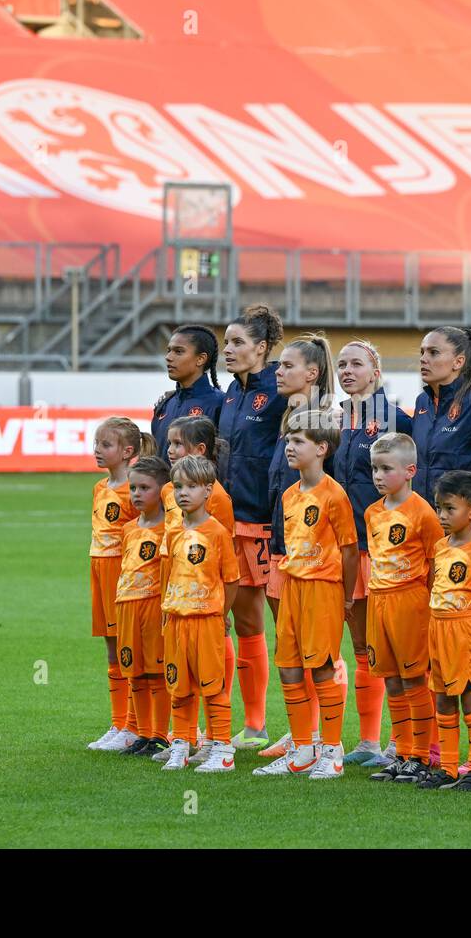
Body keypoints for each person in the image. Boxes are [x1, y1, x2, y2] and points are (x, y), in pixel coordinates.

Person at [254, 409, 358, 779]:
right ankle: (303, 748)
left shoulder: (335, 495)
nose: (289, 446)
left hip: (323, 589)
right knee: (289, 666)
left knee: (323, 667)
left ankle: (332, 749)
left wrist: (345, 597)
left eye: (298, 441)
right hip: (292, 585)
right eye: (288, 439)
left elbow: (348, 549)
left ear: (322, 449)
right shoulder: (289, 494)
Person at [333, 340, 414, 766]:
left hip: (385, 551)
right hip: (350, 551)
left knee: (396, 648)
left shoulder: (397, 420)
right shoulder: (341, 420)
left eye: (356, 364)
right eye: (341, 364)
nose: (346, 371)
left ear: (376, 370)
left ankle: (404, 742)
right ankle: (368, 742)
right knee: (363, 647)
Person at [258, 334, 336, 759]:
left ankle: (326, 737)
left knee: (319, 649)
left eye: (287, 366)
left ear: (312, 373)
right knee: (289, 644)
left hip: (315, 558)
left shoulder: (328, 420)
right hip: (282, 547)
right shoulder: (288, 420)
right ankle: (303, 733)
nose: (278, 373)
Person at [218, 304, 288, 751]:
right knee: (245, 621)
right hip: (231, 522)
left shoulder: (281, 389)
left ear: (262, 348)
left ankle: (316, 734)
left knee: (292, 625)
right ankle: (255, 725)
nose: (229, 350)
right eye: (225, 343)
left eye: (238, 342)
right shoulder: (230, 392)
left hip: (267, 523)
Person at [364, 432, 443, 784]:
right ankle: (402, 752)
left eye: (386, 469)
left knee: (414, 679)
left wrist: (428, 607)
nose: (378, 476)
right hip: (378, 601)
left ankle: (422, 756)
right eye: (374, 469)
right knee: (392, 680)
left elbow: (436, 564)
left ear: (410, 470)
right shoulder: (372, 512)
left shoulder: (424, 513)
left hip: (410, 603)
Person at [160, 415, 237, 765]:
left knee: (213, 684)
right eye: (178, 488)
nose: (183, 494)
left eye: (190, 487)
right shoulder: (173, 531)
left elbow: (231, 579)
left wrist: (221, 614)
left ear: (208, 490)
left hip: (206, 619)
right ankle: (182, 742)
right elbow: (168, 570)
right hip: (177, 618)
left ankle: (221, 746)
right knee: (179, 684)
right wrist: (165, 609)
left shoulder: (218, 532)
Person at [419, 471, 471, 792]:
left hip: (464, 629)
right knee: (442, 698)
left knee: (469, 697)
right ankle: (450, 768)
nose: (442, 515)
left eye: (450, 508)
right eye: (439, 508)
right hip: (437, 628)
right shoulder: (440, 546)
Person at [86, 417, 152, 753]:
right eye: (96, 443)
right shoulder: (100, 488)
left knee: (130, 648)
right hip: (99, 569)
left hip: (124, 574)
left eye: (105, 445)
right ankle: (118, 723)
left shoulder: (135, 491)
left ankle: (134, 725)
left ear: (128, 451)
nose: (97, 450)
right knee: (111, 647)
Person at [116, 456, 172, 758]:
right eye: (133, 488)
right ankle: (142, 732)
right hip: (126, 605)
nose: (136, 494)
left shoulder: (168, 529)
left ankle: (159, 735)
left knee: (156, 670)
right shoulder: (128, 529)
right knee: (133, 670)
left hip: (153, 606)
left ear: (162, 490)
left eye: (144, 488)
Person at [411, 326, 471, 504]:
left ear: (458, 362)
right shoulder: (422, 402)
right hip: (424, 518)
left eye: (433, 352)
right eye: (422, 352)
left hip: (464, 522)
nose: (423, 359)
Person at [151, 325, 224, 449]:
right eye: (169, 350)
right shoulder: (165, 404)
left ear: (200, 359)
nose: (168, 357)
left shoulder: (220, 404)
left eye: (178, 351)